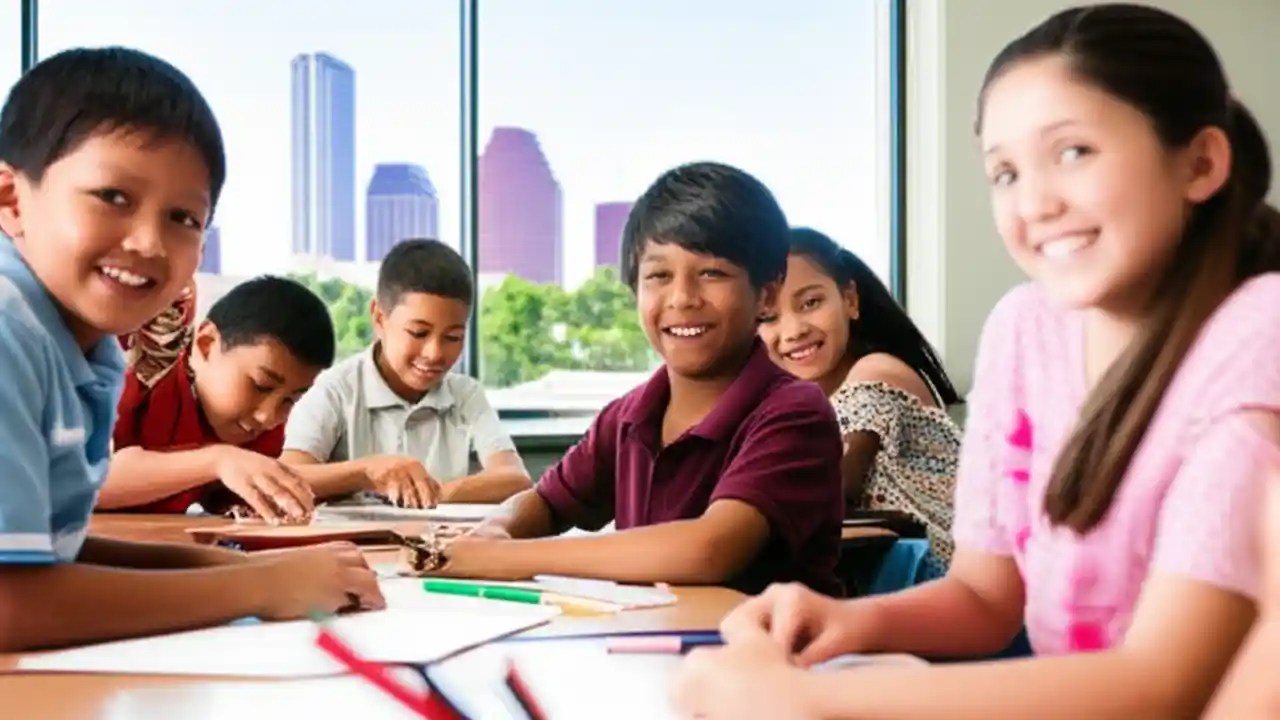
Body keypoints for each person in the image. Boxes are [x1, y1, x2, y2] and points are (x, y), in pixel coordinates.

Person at [671, 5, 1280, 717]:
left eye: (1074, 152)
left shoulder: (1257, 331)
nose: (1036, 202)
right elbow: (986, 596)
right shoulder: (1024, 329)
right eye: (1005, 172)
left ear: (1201, 162)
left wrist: (813, 700)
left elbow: (1160, 684)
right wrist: (843, 621)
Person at [0, 47, 382, 652]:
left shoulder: (84, 350)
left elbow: (55, 550)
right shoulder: (8, 332)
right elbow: (11, 604)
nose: (150, 241)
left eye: (184, 217)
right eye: (113, 197)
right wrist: (256, 590)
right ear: (11, 200)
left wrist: (260, 572)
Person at [431, 162, 844, 595]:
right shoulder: (628, 416)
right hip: (652, 650)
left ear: (766, 294)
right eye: (659, 276)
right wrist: (491, 532)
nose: (682, 298)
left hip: (764, 654)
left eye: (712, 273)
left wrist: (508, 558)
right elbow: (547, 502)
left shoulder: (795, 413)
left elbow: (710, 548)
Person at [759, 227, 960, 573]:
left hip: (951, 585)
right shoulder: (797, 405)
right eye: (769, 318)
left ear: (850, 300)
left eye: (810, 303)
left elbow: (829, 493)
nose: (793, 331)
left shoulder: (876, 372)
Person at [283, 238, 530, 507]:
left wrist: (431, 494)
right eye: (418, 333)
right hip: (356, 546)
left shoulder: (465, 395)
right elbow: (287, 478)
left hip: (441, 544)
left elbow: (515, 478)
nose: (434, 353)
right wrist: (366, 472)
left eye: (453, 337)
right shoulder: (335, 389)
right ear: (379, 317)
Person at [100, 276, 336, 522]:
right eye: (261, 386)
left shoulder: (257, 428)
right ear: (206, 344)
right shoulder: (133, 378)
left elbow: (221, 497)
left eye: (291, 401)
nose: (268, 416)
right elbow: (85, 481)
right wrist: (218, 460)